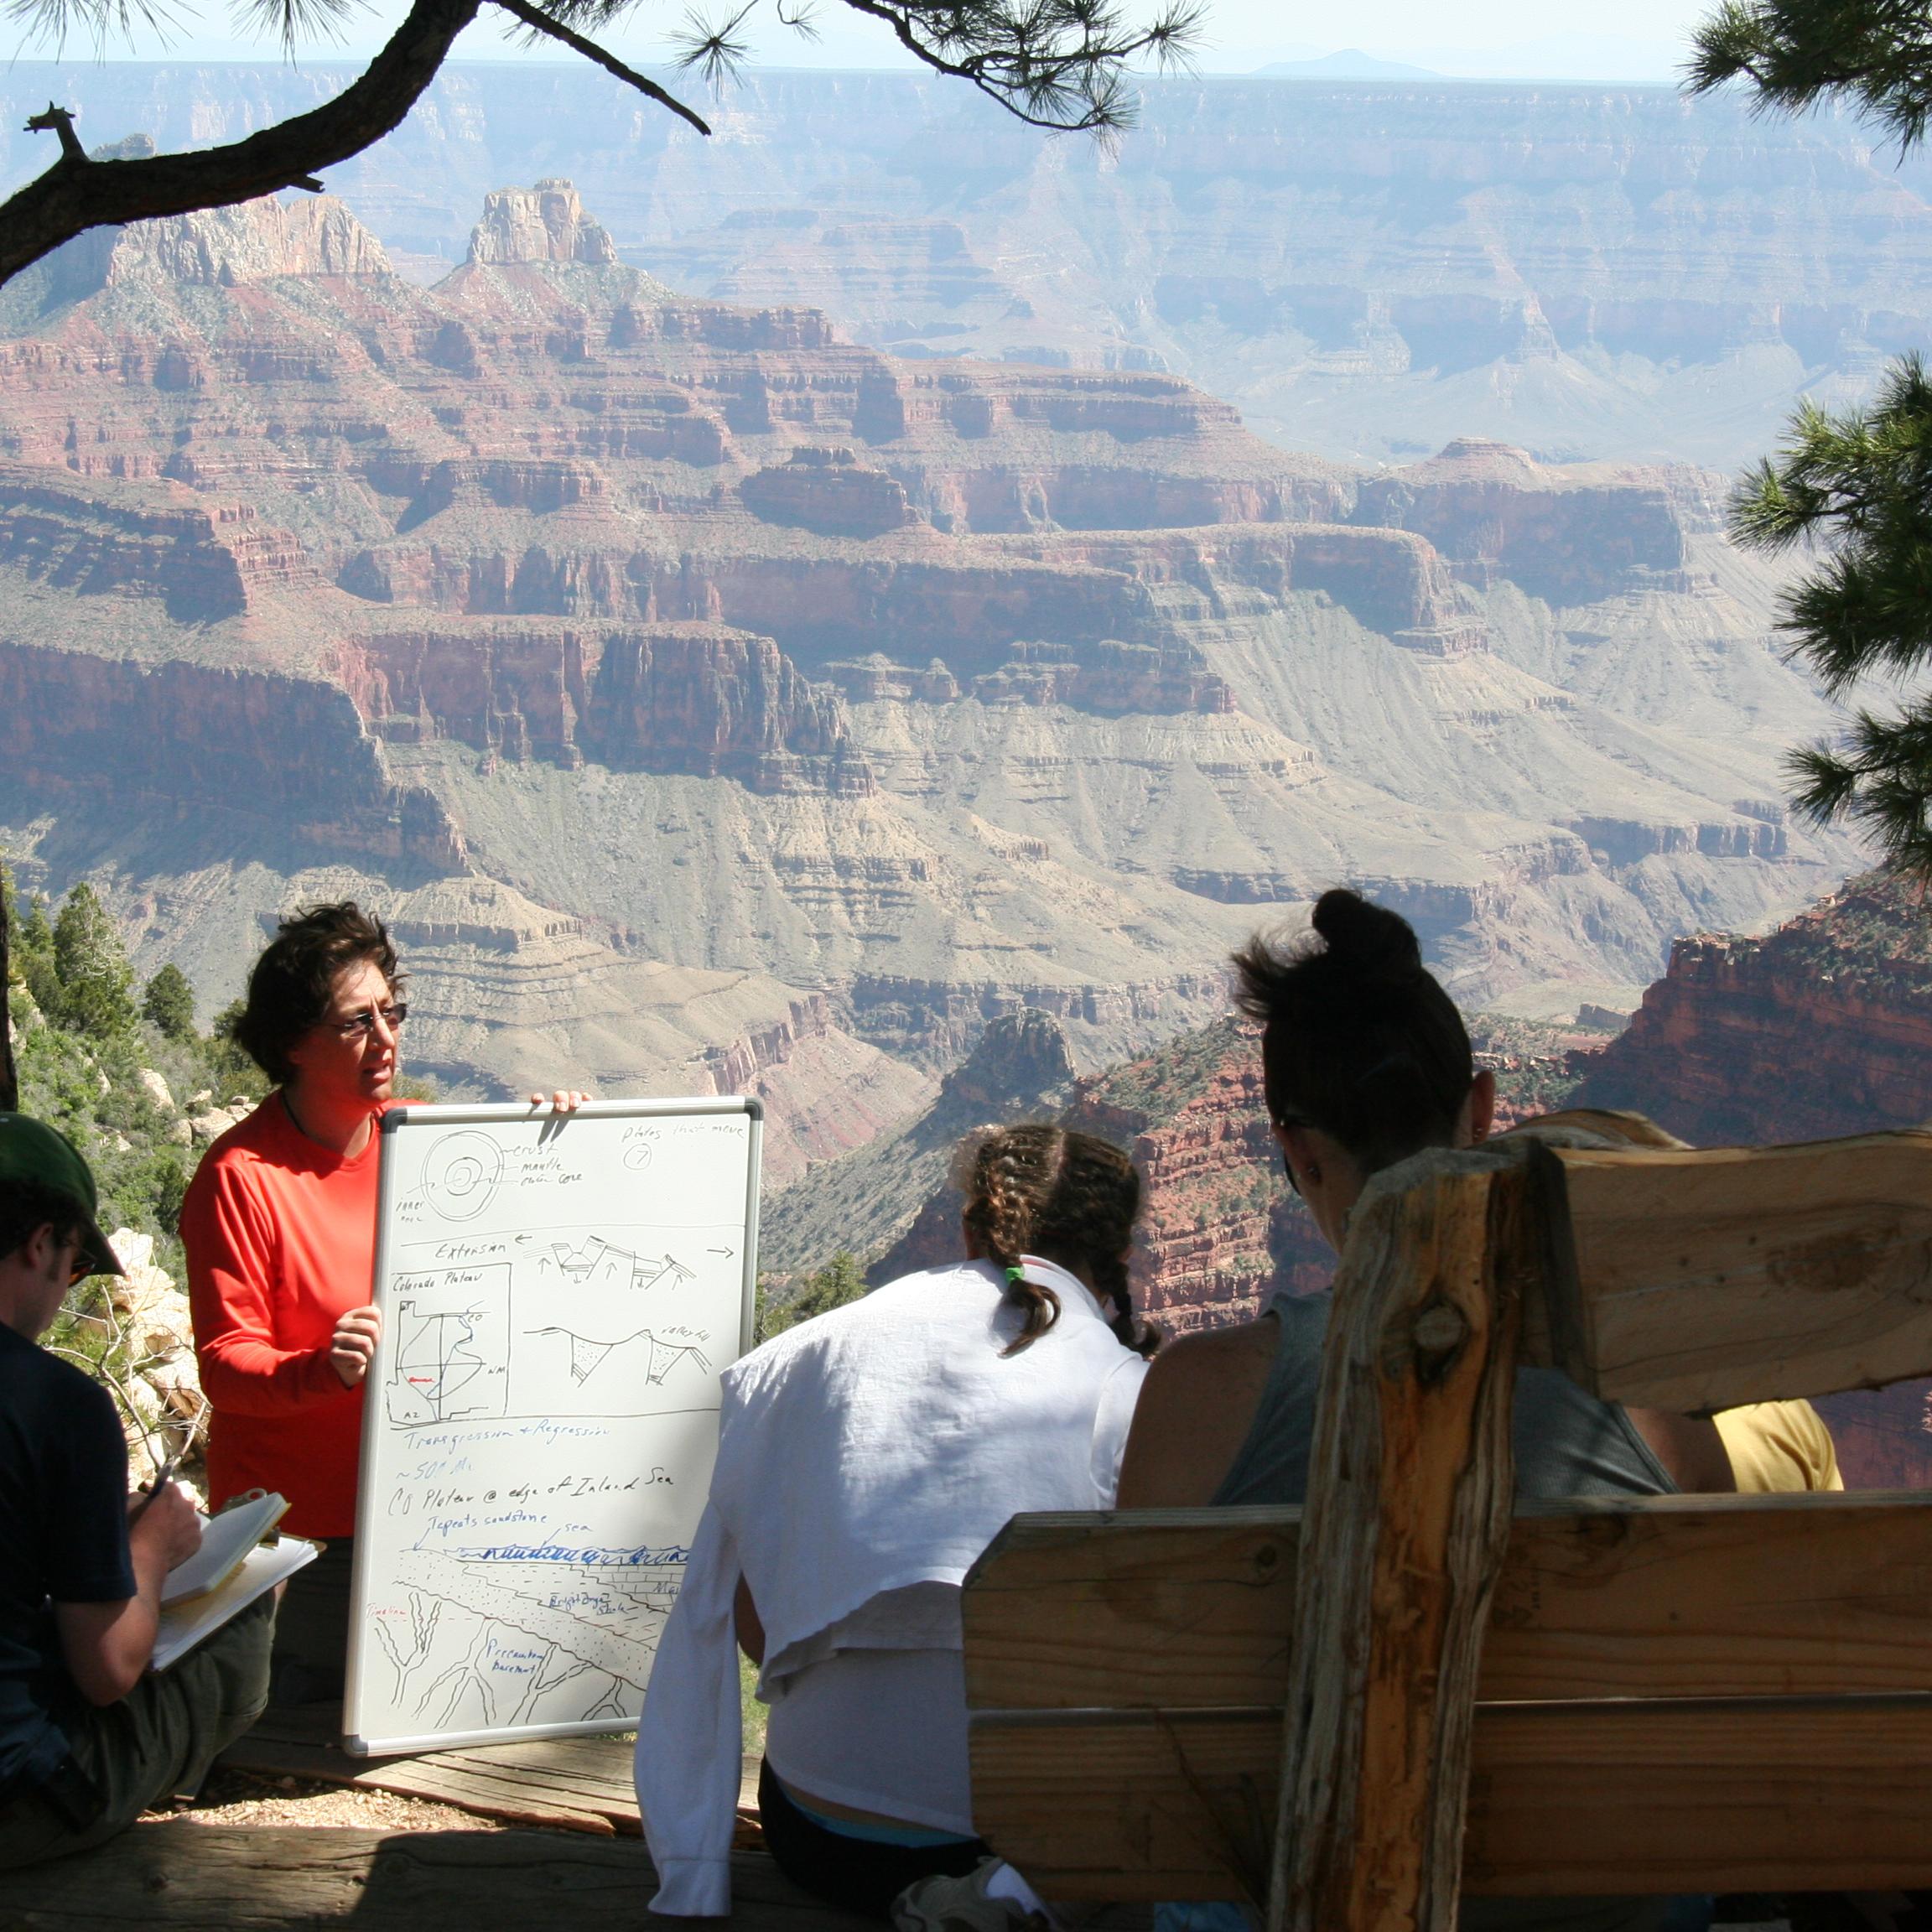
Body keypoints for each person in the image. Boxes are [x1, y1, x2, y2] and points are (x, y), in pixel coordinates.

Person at [1117, 890, 1737, 1932]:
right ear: (1484, 1110)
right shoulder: (1644, 1379)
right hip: (1613, 1906)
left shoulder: (1200, 1396)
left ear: (1296, 1153)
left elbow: (1139, 1715)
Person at [636, 1123, 1156, 1922]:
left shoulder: (808, 1354)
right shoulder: (1130, 1389)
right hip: (1019, 1846)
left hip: (819, 1833)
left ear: (969, 1227)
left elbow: (748, 1630)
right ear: (1120, 1248)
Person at [181, 901, 588, 1706]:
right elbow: (225, 1367)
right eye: (356, 1023)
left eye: (391, 1013)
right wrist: (318, 1370)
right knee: (308, 1727)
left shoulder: (426, 1146)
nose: (387, 1039)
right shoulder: (243, 1178)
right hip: (299, 1542)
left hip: (434, 1519)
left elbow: (537, 1264)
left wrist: (558, 1148)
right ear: (293, 1043)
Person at [0, 1113, 273, 1868]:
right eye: (74, 1265)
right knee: (245, 1618)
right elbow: (109, 1670)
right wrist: (149, 1550)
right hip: (24, 1798)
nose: (66, 1286)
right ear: (39, 1244)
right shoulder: (56, 1403)